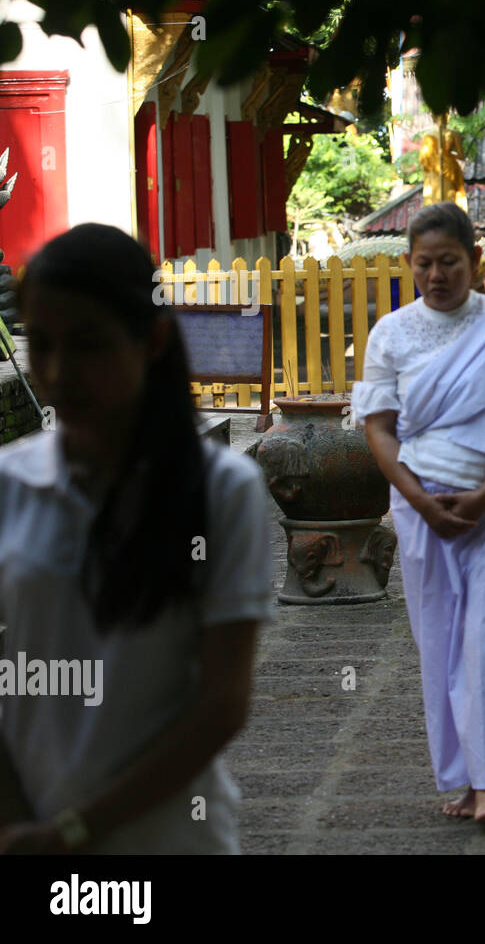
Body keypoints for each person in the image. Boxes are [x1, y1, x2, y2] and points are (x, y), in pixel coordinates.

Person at [0, 224, 271, 853]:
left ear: (150, 341)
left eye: (89, 345)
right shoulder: (11, 484)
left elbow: (220, 707)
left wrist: (74, 830)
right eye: (40, 345)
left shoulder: (219, 491)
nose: (59, 373)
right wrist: (20, 827)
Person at [353, 202, 485, 825]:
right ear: (408, 265)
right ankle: (462, 778)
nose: (437, 275)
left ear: (475, 260)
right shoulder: (391, 334)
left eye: (450, 262)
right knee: (440, 642)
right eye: (425, 264)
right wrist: (421, 501)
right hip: (421, 511)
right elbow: (379, 428)